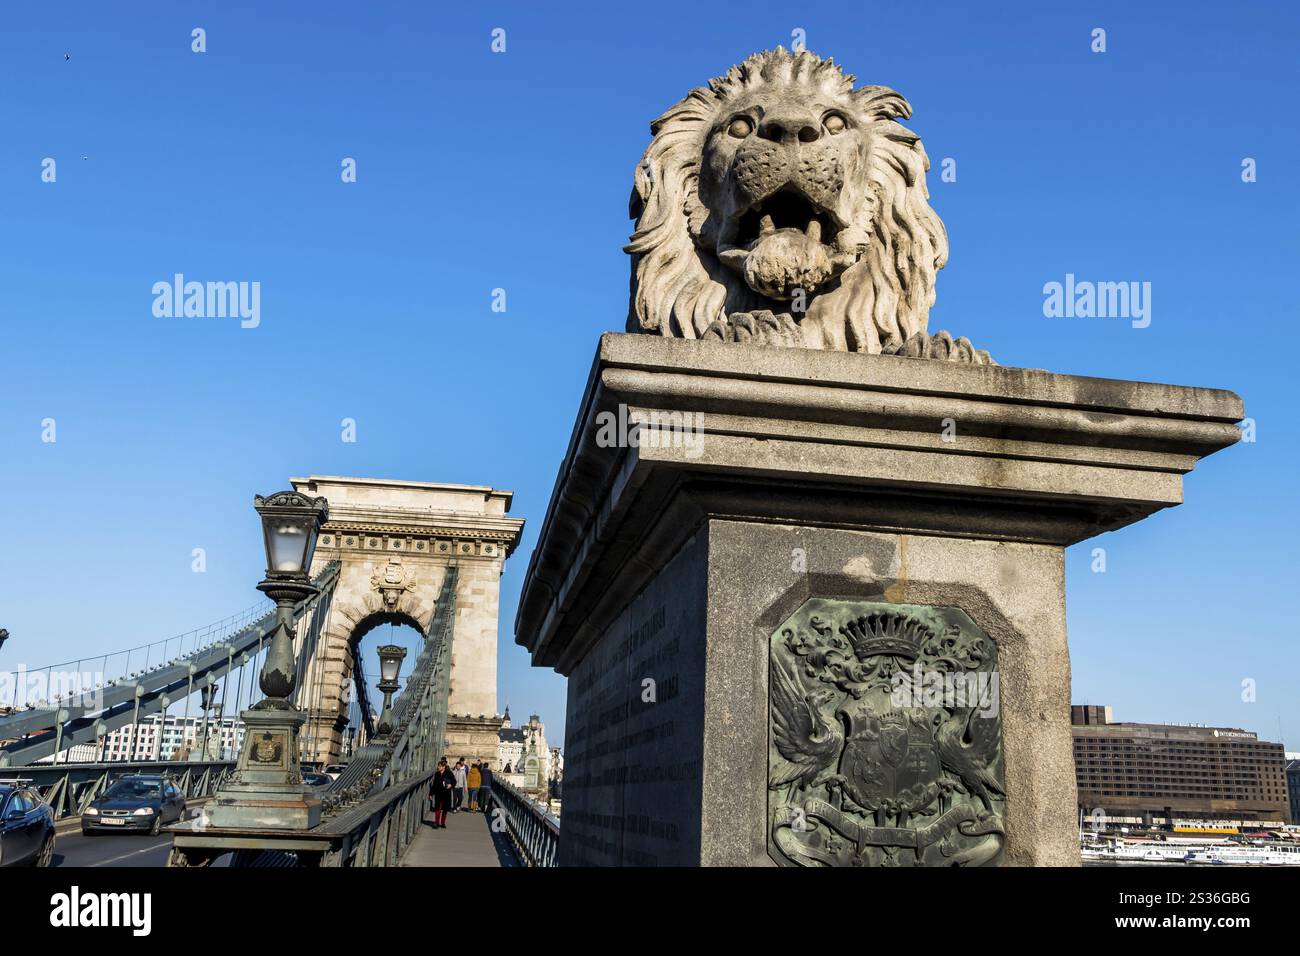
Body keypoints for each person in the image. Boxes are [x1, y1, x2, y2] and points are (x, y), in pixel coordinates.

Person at [431, 758, 455, 829]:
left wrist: (451, 785)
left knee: (445, 809)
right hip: (438, 794)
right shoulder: (437, 774)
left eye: (440, 766)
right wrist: (431, 794)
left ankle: (443, 823)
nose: (438, 767)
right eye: (438, 766)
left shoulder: (449, 773)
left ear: (443, 767)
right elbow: (434, 785)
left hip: (446, 794)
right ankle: (436, 823)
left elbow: (454, 781)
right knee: (437, 809)